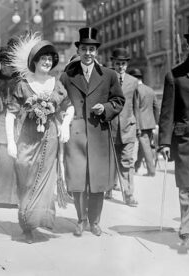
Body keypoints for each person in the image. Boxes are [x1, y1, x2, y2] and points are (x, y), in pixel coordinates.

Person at [5, 34, 74, 243]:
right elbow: (10, 113)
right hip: (27, 138)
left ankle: (33, 225)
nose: (47, 62)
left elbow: (69, 107)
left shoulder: (57, 83)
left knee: (45, 180)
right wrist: (10, 141)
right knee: (25, 177)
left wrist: (65, 124)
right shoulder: (22, 85)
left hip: (50, 137)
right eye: (42, 59)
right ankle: (26, 221)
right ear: (34, 61)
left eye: (50, 59)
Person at [60, 27, 125, 237]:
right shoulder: (67, 76)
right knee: (78, 181)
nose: (88, 53)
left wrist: (105, 108)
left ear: (96, 52)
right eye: (84, 49)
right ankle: (80, 220)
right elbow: (60, 101)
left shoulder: (109, 75)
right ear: (78, 50)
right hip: (76, 135)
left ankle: (95, 221)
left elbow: (118, 101)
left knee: (97, 181)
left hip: (99, 134)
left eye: (92, 49)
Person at [159, 26, 189, 247]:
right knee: (186, 186)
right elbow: (167, 113)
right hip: (185, 141)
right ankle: (186, 230)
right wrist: (164, 142)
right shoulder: (175, 75)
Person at [108, 48, 140, 207]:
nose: (120, 66)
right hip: (111, 128)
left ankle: (129, 195)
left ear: (127, 65)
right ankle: (108, 188)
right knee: (111, 161)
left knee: (127, 162)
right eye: (118, 63)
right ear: (113, 63)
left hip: (128, 128)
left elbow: (136, 105)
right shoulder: (107, 79)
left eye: (123, 64)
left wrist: (138, 127)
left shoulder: (133, 82)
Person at [0, 45, 18, 206]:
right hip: (0, 119)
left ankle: (15, 197)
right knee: (1, 156)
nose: (5, 66)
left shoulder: (20, 78)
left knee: (16, 158)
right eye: (2, 62)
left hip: (17, 120)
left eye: (8, 62)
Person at [129, 68, 159, 176]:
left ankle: (151, 171)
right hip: (150, 123)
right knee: (144, 146)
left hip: (140, 124)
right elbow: (156, 107)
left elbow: (135, 108)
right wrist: (156, 123)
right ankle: (136, 166)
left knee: (145, 147)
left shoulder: (135, 90)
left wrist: (136, 125)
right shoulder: (150, 89)